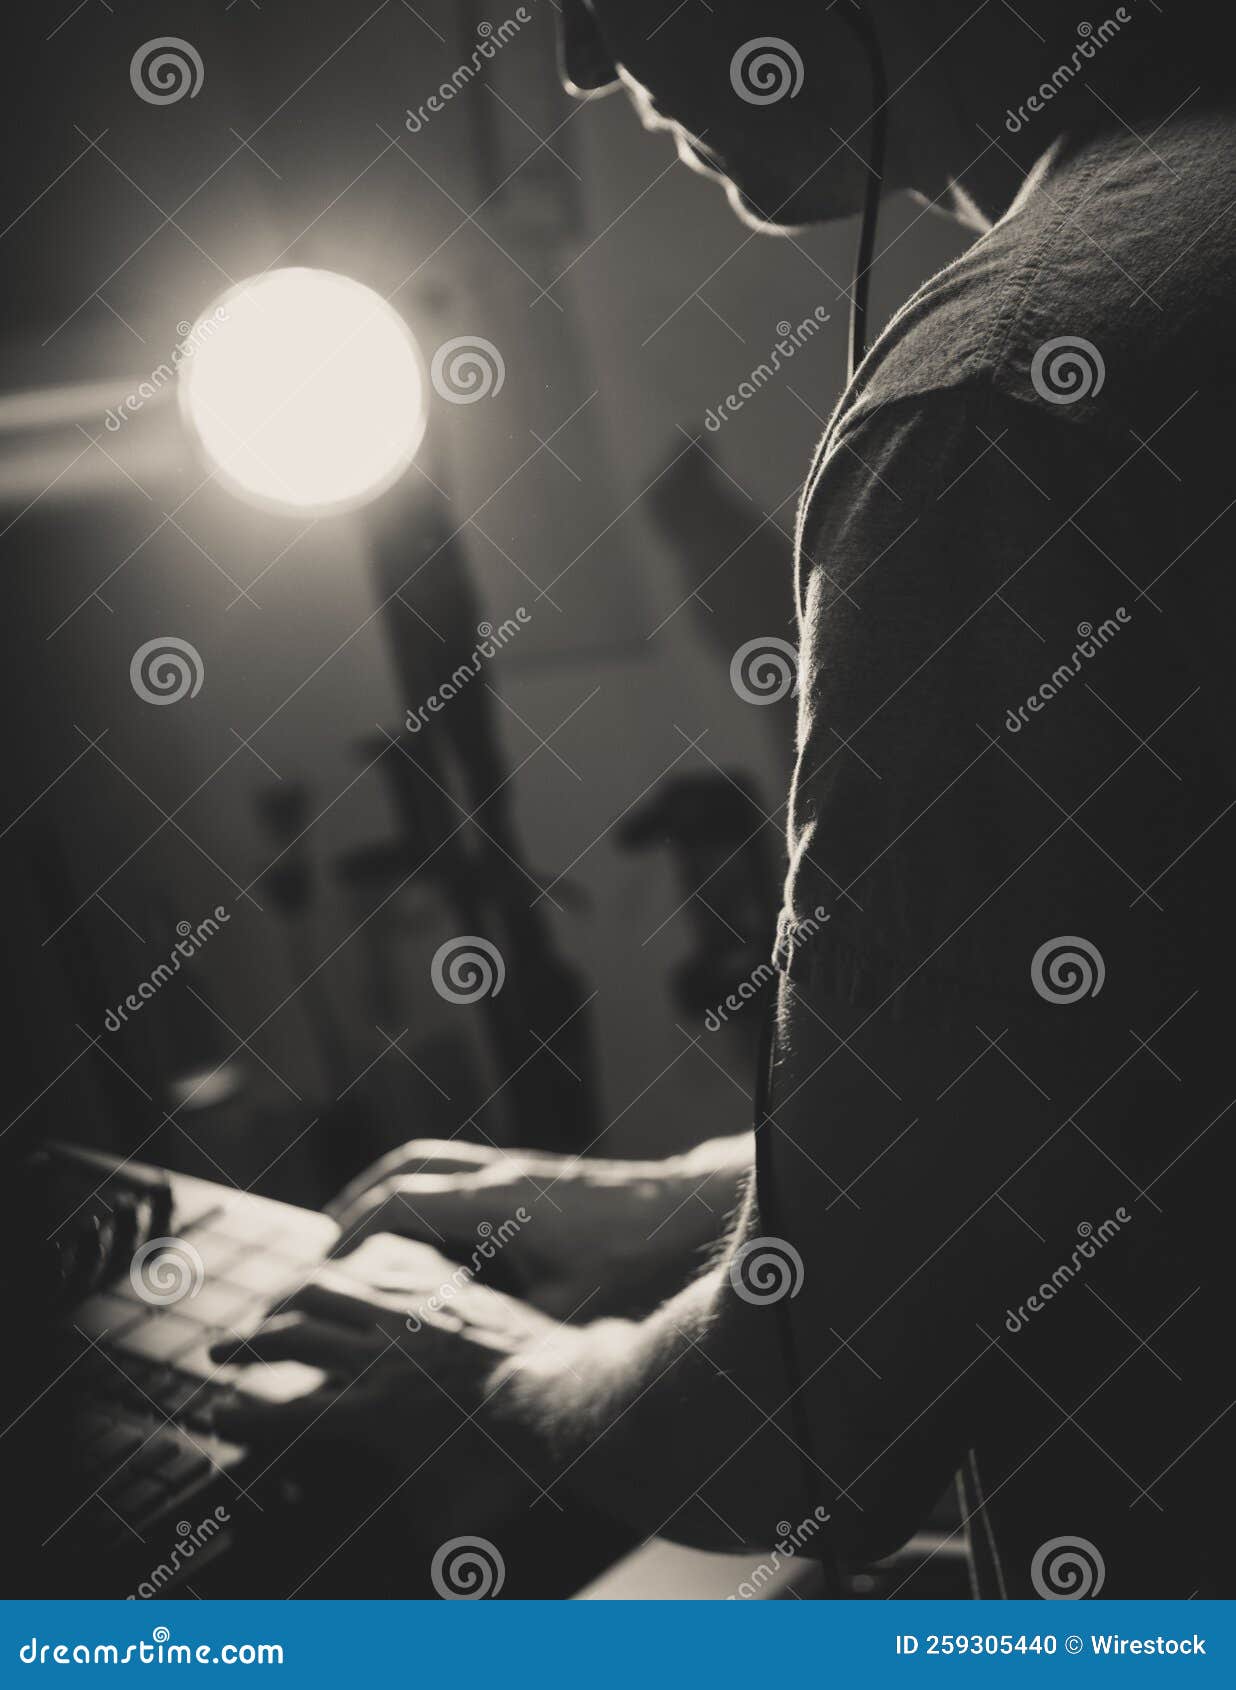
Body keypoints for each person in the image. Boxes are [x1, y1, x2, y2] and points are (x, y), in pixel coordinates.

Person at [213, 1, 1236, 1597]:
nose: (580, 56)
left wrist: (491, 1383)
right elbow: (1125, 1093)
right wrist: (665, 1206)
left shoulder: (991, 407)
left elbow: (815, 1420)